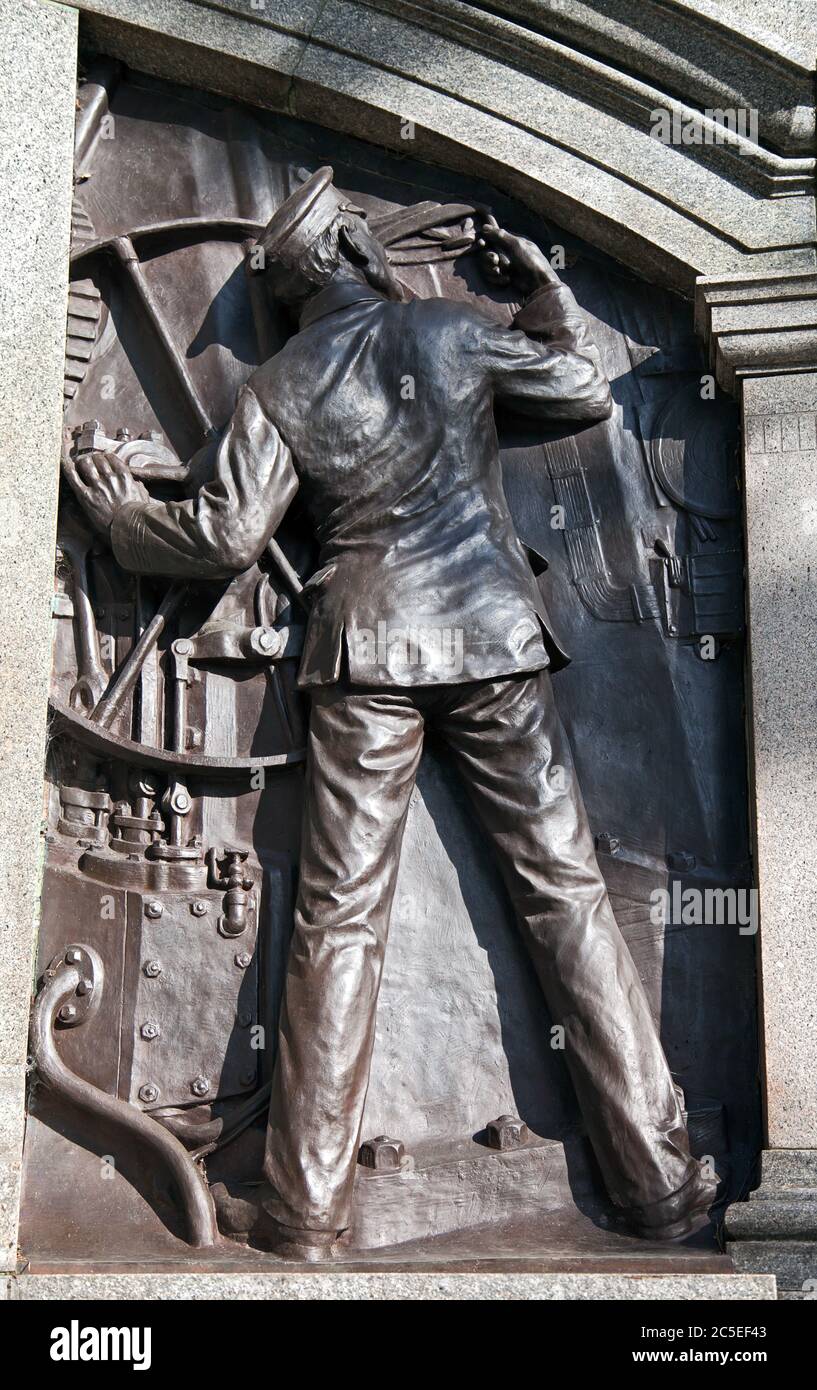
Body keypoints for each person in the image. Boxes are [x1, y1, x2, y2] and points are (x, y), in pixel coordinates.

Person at [67, 166, 717, 1259]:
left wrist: (125, 517)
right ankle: (653, 1183)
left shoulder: (279, 385)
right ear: (358, 257)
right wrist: (547, 296)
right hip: (491, 637)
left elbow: (221, 537)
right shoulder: (450, 334)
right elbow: (580, 388)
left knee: (337, 923)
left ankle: (305, 1208)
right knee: (564, 894)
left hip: (363, 646)